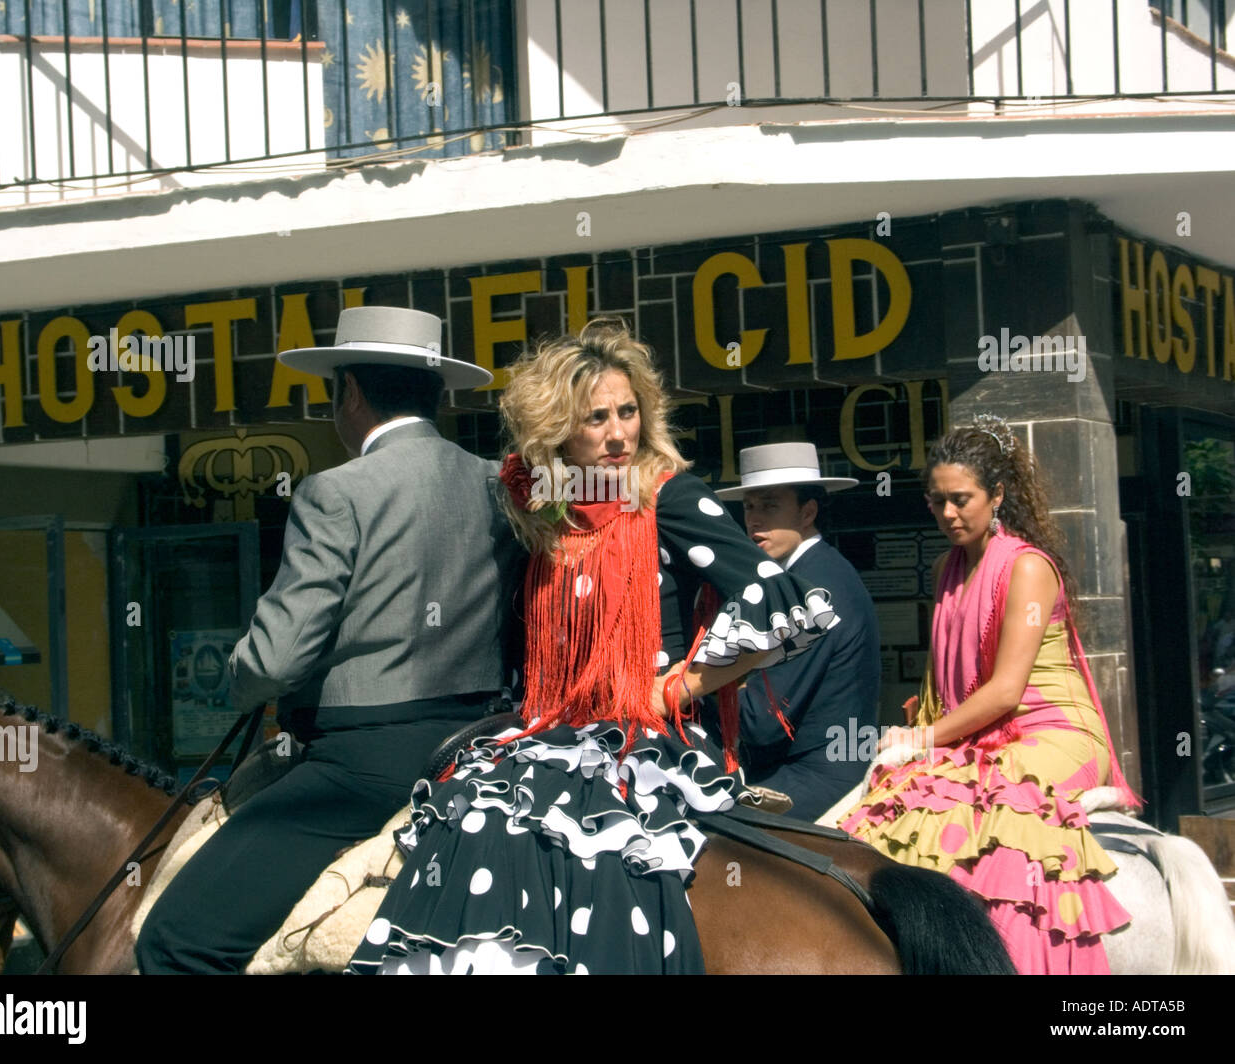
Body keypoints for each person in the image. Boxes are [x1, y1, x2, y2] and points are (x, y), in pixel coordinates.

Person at [347, 318, 840, 974]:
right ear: (559, 430)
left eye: (628, 412)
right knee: (471, 814)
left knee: (568, 843)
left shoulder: (668, 494)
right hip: (550, 730)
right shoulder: (544, 505)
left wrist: (675, 688)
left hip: (648, 743)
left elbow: (785, 605)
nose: (617, 434)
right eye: (595, 417)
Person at [136, 306, 524, 974]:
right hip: (482, 746)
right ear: (434, 394)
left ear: (349, 394)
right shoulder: (498, 485)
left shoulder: (335, 492)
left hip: (361, 768)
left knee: (175, 939)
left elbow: (277, 658)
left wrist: (236, 672)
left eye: (332, 394)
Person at [839, 414, 1136, 975]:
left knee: (1003, 815)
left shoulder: (1028, 568)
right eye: (935, 501)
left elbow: (1004, 692)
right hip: (981, 736)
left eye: (961, 499)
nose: (947, 514)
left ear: (997, 495)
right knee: (891, 804)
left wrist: (922, 738)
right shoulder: (943, 569)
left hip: (1055, 735)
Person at [712, 443, 879, 820]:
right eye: (749, 507)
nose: (754, 521)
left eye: (770, 506)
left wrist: (700, 682)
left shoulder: (812, 587)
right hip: (803, 767)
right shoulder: (808, 573)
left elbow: (762, 720)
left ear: (808, 511)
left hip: (819, 774)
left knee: (704, 838)